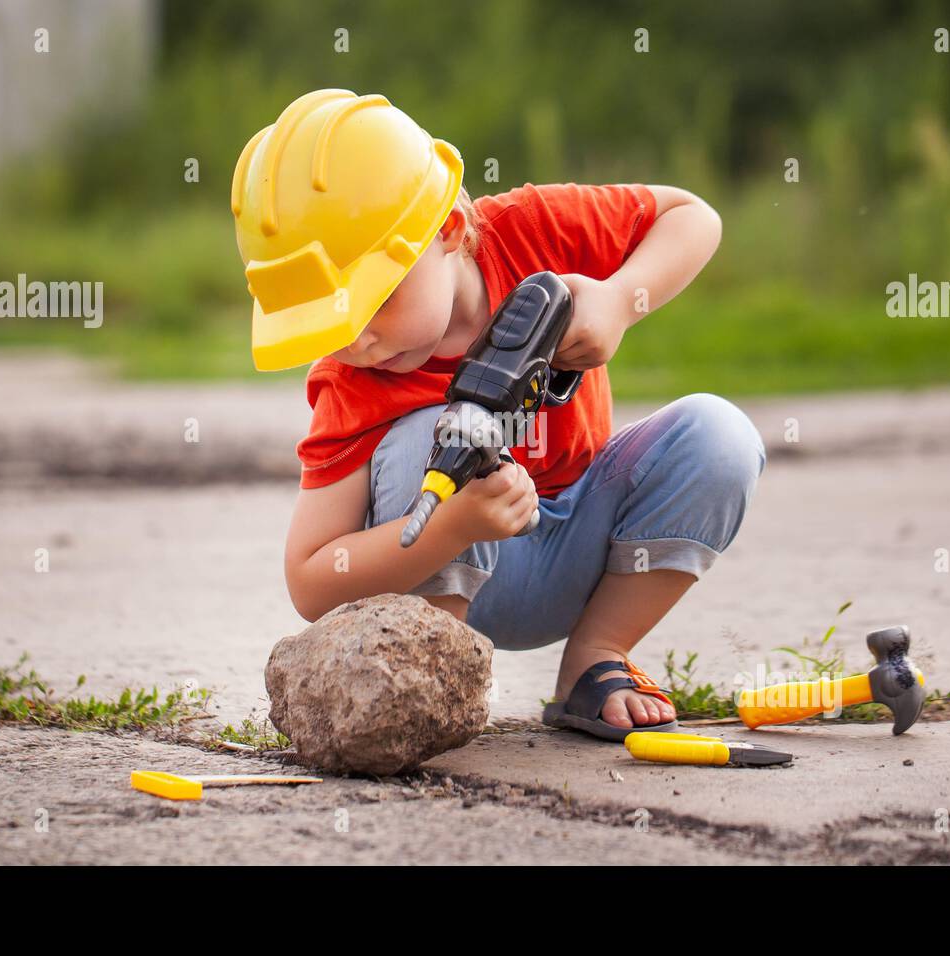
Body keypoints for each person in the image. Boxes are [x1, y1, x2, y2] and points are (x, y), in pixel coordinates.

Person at [233, 89, 765, 741]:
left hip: (580, 545)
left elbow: (693, 217)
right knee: (428, 433)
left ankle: (596, 659)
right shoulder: (352, 380)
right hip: (455, 579)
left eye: (369, 303)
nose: (355, 341)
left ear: (449, 232)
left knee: (718, 436)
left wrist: (621, 301)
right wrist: (451, 527)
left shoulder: (533, 229)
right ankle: (433, 679)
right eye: (324, 324)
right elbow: (313, 577)